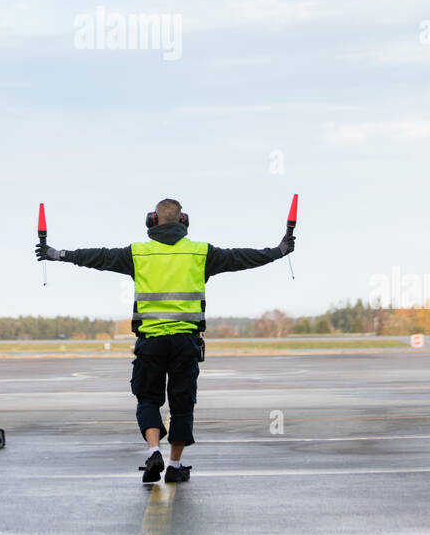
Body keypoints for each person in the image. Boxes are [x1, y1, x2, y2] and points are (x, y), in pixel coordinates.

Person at [36, 198, 295, 482]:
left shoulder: (138, 253)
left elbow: (98, 257)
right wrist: (278, 251)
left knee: (148, 398)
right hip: (186, 342)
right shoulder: (200, 253)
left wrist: (57, 253)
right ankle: (174, 466)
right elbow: (241, 257)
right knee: (182, 403)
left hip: (151, 341)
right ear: (183, 221)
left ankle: (152, 451)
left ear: (152, 221)